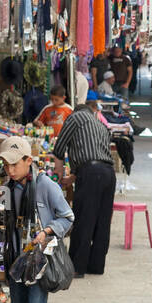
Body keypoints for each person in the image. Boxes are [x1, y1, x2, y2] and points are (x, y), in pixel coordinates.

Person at [0, 137, 75, 303]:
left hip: (38, 263)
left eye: (14, 164)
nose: (10, 170)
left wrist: (49, 230)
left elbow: (68, 217)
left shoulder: (46, 186)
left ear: (28, 161)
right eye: (6, 165)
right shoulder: (9, 188)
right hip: (17, 263)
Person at [52, 100, 116, 276]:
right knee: (102, 221)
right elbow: (94, 156)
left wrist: (57, 176)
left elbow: (59, 148)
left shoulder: (76, 117)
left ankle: (77, 267)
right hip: (109, 174)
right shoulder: (100, 125)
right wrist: (73, 176)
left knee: (84, 219)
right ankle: (96, 266)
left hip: (91, 172)